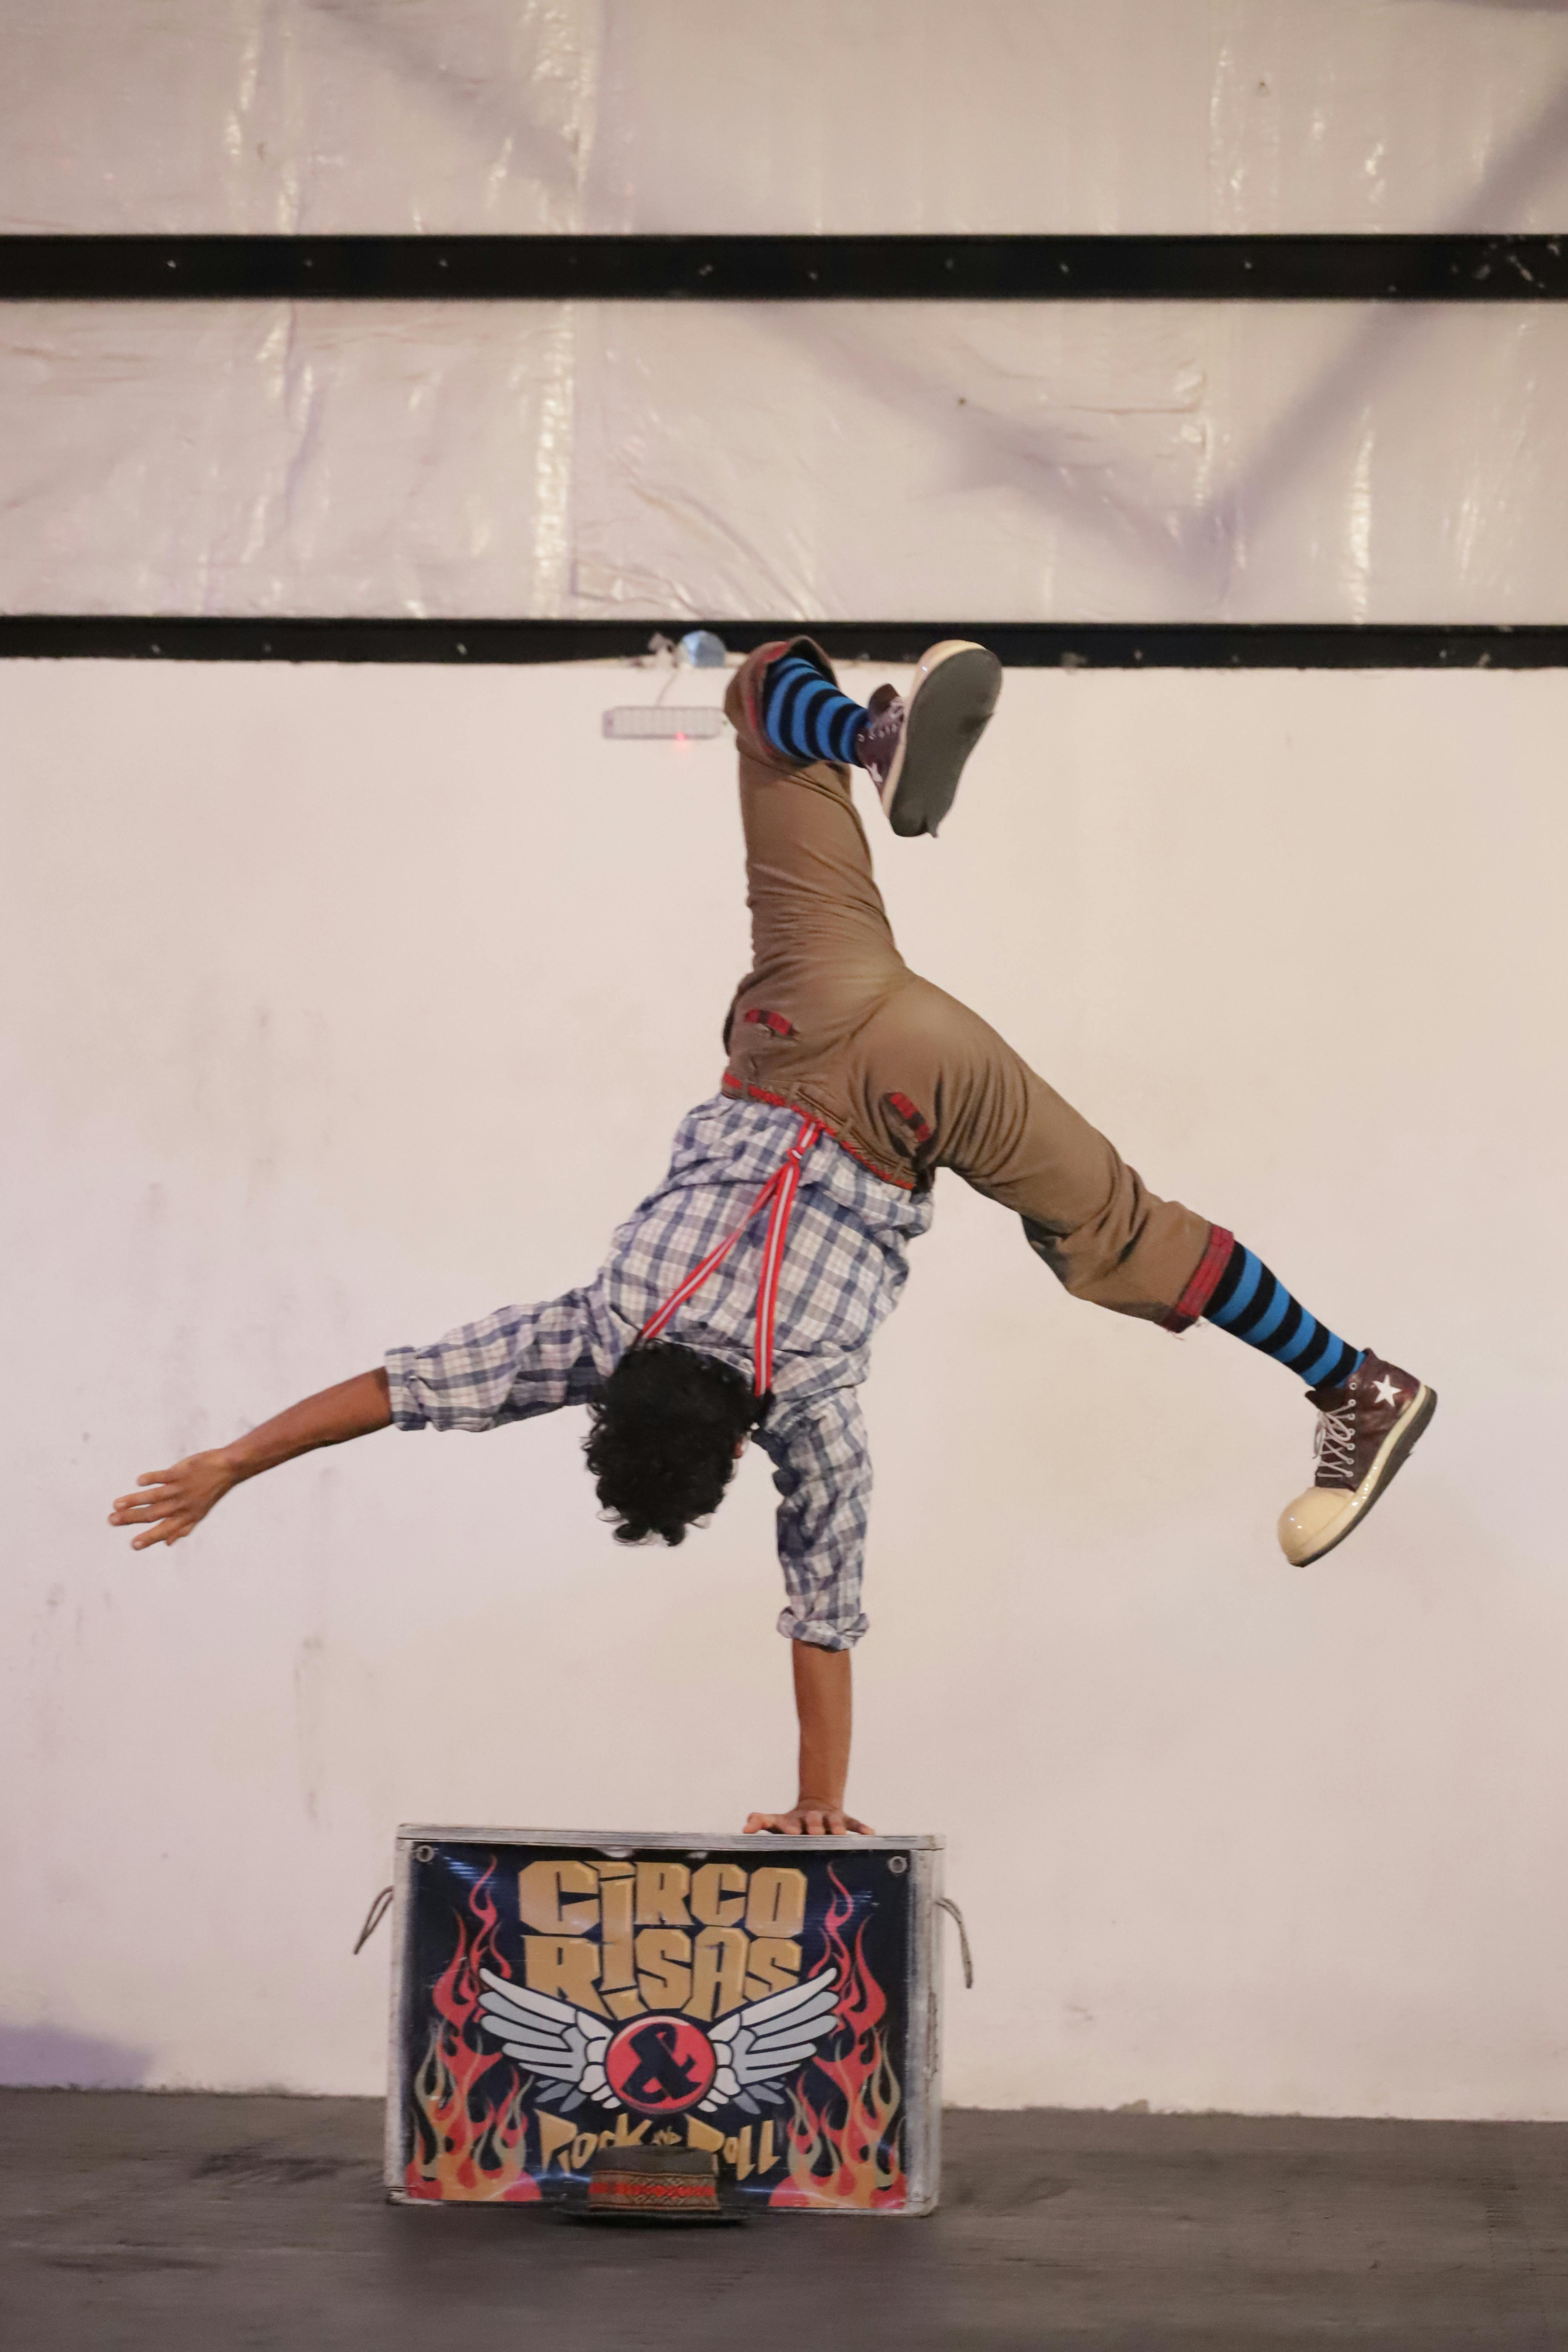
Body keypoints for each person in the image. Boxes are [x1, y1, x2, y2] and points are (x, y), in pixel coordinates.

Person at [110, 638, 1436, 1835]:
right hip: (809, 1012)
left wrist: (818, 1802)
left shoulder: (803, 1406)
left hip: (932, 1092)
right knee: (756, 702)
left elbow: (825, 1607)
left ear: (739, 1438)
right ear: (611, 1395)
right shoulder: (603, 1325)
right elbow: (406, 1387)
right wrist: (233, 1458)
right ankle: (863, 739)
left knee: (1124, 1232)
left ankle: (1355, 1381)